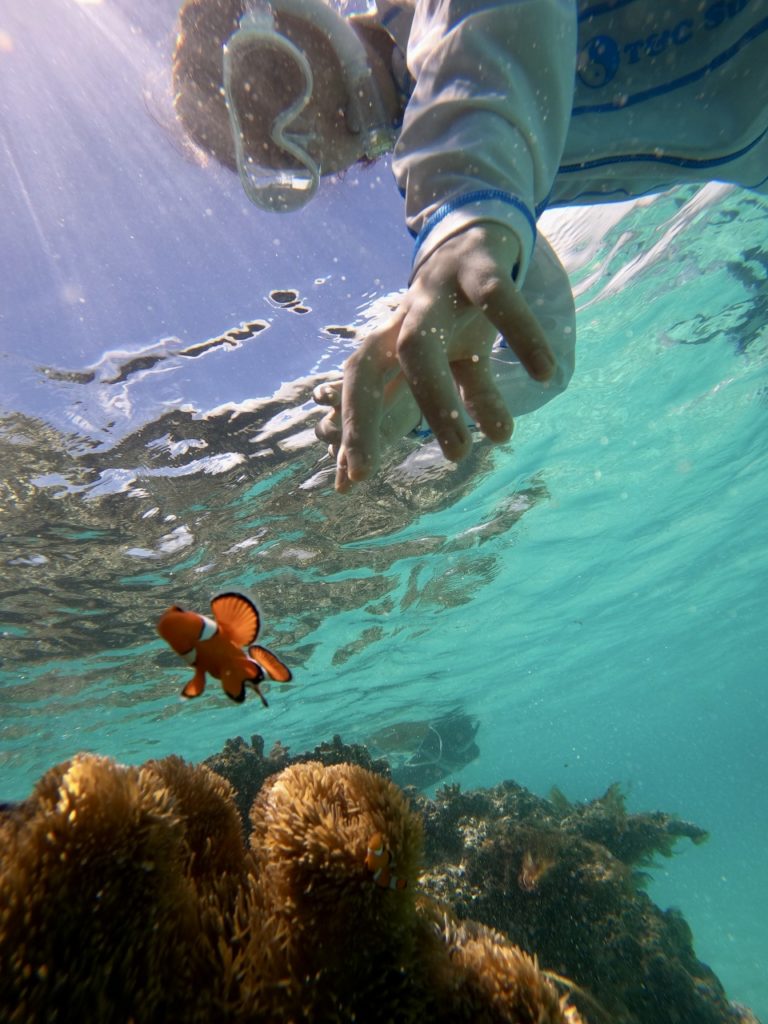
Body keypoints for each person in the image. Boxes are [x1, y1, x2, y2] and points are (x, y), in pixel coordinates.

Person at [172, 0, 768, 490]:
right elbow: (546, 348)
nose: (305, 140)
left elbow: (481, 44)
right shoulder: (450, 179)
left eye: (275, 89)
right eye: (280, 160)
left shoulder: (454, 170)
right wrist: (427, 401)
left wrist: (462, 211)